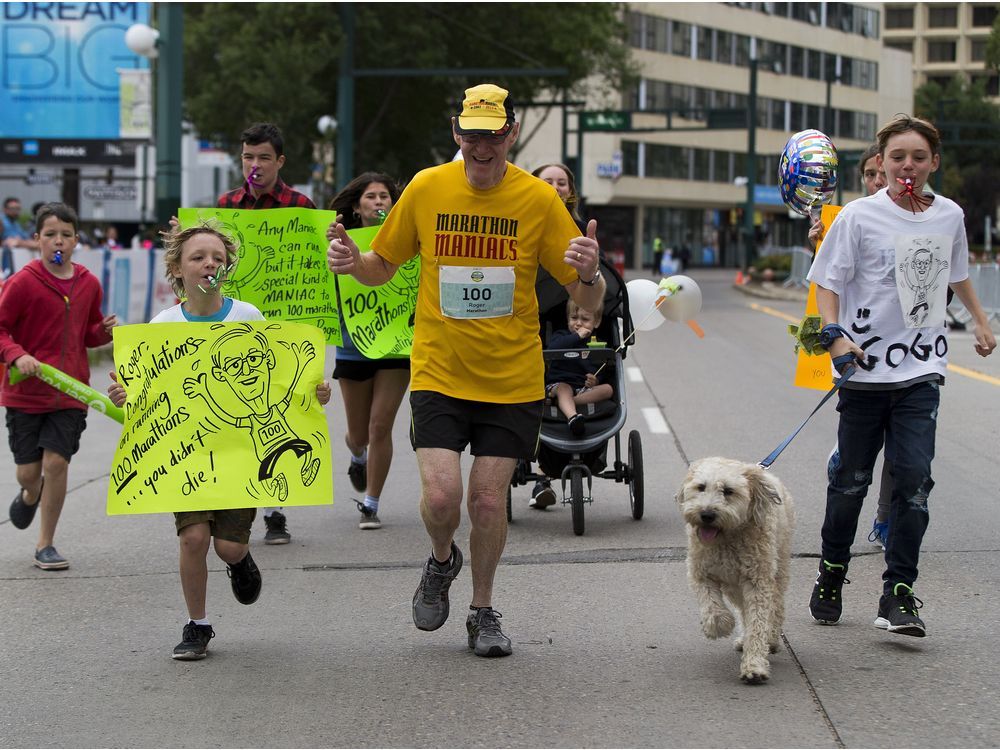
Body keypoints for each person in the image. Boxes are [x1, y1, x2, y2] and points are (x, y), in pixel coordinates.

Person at [327, 83, 606, 657]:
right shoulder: (428, 188)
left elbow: (590, 299)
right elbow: (383, 265)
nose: (482, 147)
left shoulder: (536, 199)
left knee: (485, 501)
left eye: (493, 136)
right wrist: (355, 264)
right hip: (439, 371)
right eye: (472, 135)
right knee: (440, 500)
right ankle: (440, 560)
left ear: (510, 135)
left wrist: (591, 271)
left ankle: (482, 610)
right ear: (458, 134)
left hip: (511, 378)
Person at [806, 114, 996, 638]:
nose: (907, 166)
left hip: (922, 371)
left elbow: (956, 272)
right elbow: (827, 281)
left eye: (917, 157)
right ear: (881, 164)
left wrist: (980, 320)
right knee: (851, 483)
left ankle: (899, 592)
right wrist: (835, 334)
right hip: (865, 374)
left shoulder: (949, 215)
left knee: (913, 482)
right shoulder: (858, 217)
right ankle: (832, 573)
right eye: (896, 158)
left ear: (933, 162)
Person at [107, 223, 331, 659]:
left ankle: (239, 561)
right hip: (187, 456)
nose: (209, 263)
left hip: (240, 455)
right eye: (197, 257)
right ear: (177, 269)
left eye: (216, 257)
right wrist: (126, 394)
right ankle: (198, 625)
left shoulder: (246, 316)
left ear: (227, 265)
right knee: (193, 538)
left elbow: (281, 375)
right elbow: (149, 396)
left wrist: (314, 391)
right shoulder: (163, 324)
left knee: (228, 544)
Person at [1, 203, 117, 570]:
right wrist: (17, 354)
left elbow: (87, 333)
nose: (58, 241)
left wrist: (103, 332)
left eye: (66, 235)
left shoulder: (88, 284)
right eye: (50, 234)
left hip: (70, 394)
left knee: (56, 464)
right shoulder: (22, 282)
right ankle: (29, 493)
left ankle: (45, 543)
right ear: (36, 240)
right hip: (25, 393)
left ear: (76, 241)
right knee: (29, 472)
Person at [218, 122, 316, 545]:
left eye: (262, 158)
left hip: (284, 322)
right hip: (235, 325)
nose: (254, 166)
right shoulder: (225, 205)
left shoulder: (300, 205)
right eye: (247, 157)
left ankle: (276, 509)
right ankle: (236, 499)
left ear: (279, 161)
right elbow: (209, 259)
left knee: (283, 410)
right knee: (239, 411)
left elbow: (314, 267)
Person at [808, 143, 893, 548]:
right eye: (872, 175)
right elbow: (830, 282)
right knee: (859, 448)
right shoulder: (849, 218)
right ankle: (845, 460)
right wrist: (818, 248)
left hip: (904, 353)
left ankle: (886, 518)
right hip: (855, 344)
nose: (879, 181)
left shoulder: (923, 217)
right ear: (864, 178)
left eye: (884, 173)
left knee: (902, 449)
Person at [325, 172, 409, 530]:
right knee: (359, 435)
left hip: (398, 343)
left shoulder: (408, 238)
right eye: (371, 197)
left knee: (380, 426)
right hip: (353, 344)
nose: (379, 202)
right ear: (357, 208)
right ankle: (356, 455)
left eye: (385, 197)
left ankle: (370, 502)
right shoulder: (339, 240)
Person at [544, 300, 613, 435]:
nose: (579, 323)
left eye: (585, 319)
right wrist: (576, 336)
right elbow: (552, 349)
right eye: (574, 318)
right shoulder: (561, 336)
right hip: (557, 386)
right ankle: (572, 417)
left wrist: (595, 380)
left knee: (608, 389)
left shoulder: (597, 344)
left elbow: (600, 370)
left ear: (596, 322)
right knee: (564, 388)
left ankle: (566, 403)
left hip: (582, 389)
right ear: (568, 319)